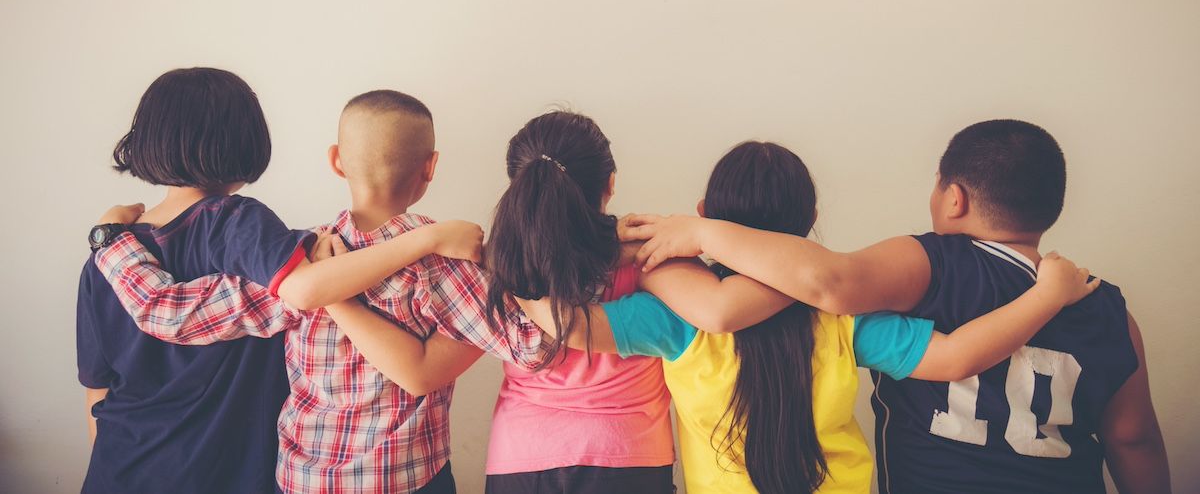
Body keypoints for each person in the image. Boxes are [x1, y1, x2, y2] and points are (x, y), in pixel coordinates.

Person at [516, 140, 1098, 494]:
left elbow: (565, 322)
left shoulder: (674, 316)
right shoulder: (846, 318)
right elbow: (959, 357)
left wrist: (521, 271)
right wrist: (1046, 294)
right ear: (812, 217)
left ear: (703, 213)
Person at [628, 120, 1171, 494]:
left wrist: (699, 233)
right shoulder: (1107, 308)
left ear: (953, 197)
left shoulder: (930, 262)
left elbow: (827, 280)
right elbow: (1133, 438)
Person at [91, 89, 544, 494]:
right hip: (405, 476)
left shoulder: (299, 263)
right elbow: (533, 345)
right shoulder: (447, 263)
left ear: (336, 161)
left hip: (306, 480)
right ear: (431, 167)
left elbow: (171, 315)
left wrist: (110, 242)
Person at [319, 111, 677, 494]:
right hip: (629, 454)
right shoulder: (652, 258)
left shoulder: (494, 269)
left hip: (521, 457)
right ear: (610, 184)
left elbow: (424, 369)